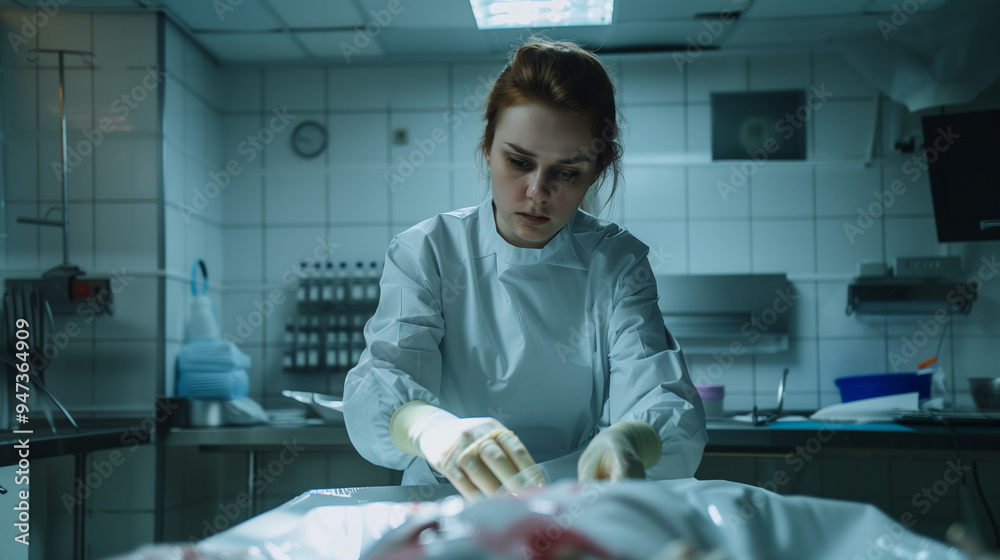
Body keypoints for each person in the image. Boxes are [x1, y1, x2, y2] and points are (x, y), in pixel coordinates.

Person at [343, 37, 707, 500]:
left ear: (596, 170)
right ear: (487, 148)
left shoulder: (614, 263)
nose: (538, 191)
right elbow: (379, 385)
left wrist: (633, 439)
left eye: (567, 172)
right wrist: (430, 428)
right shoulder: (428, 252)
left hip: (572, 505)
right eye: (519, 162)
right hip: (446, 502)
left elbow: (662, 397)